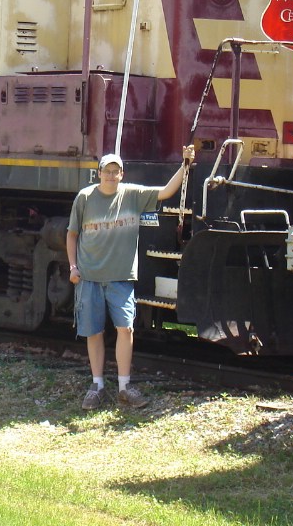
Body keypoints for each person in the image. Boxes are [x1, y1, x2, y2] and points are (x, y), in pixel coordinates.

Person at [66, 147, 195, 410]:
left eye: (116, 171)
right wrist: (73, 267)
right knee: (94, 332)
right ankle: (97, 385)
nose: (111, 175)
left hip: (121, 277)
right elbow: (71, 234)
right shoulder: (84, 198)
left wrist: (186, 164)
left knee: (126, 329)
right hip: (89, 276)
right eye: (107, 171)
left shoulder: (133, 195)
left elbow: (166, 191)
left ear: (122, 174)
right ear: (99, 173)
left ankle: (125, 387)